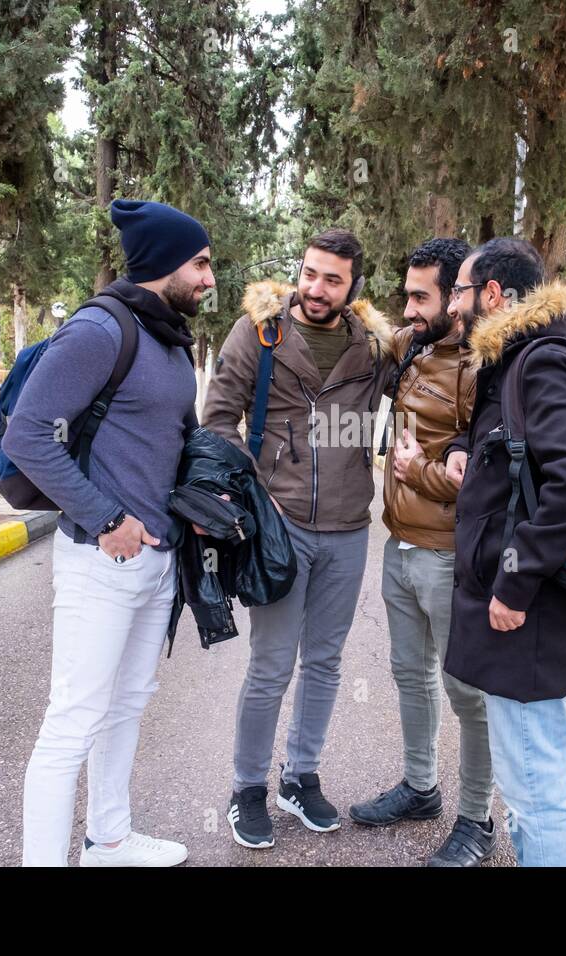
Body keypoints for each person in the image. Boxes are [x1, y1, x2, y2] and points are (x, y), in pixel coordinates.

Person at [2, 199, 214, 867]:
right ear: (163, 265)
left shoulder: (170, 338)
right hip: (102, 559)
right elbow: (29, 436)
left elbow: (169, 438)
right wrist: (107, 520)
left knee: (126, 706)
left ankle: (110, 838)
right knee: (72, 722)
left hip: (156, 559)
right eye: (201, 264)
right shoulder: (99, 330)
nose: (210, 278)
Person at [203, 228, 392, 850]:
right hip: (279, 526)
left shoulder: (372, 348)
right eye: (309, 273)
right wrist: (252, 495)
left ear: (353, 287)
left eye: (332, 279)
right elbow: (218, 419)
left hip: (347, 527)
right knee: (271, 664)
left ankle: (300, 776)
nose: (315, 288)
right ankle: (248, 788)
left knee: (326, 661)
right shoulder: (259, 333)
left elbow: (432, 368)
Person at [441, 237, 566, 867]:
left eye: (458, 290)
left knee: (536, 788)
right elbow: (524, 455)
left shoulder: (538, 360)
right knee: (528, 778)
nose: (453, 304)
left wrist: (514, 580)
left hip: (526, 612)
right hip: (526, 608)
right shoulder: (524, 359)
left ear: (491, 294)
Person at [346, 237, 498, 867]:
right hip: (400, 547)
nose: (407, 307)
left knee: (466, 690)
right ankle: (419, 788)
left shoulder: (481, 367)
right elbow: (352, 351)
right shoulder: (411, 348)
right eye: (403, 294)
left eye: (420, 296)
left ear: (455, 298)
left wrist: (418, 474)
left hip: (449, 556)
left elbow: (481, 481)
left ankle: (477, 820)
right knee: (410, 676)